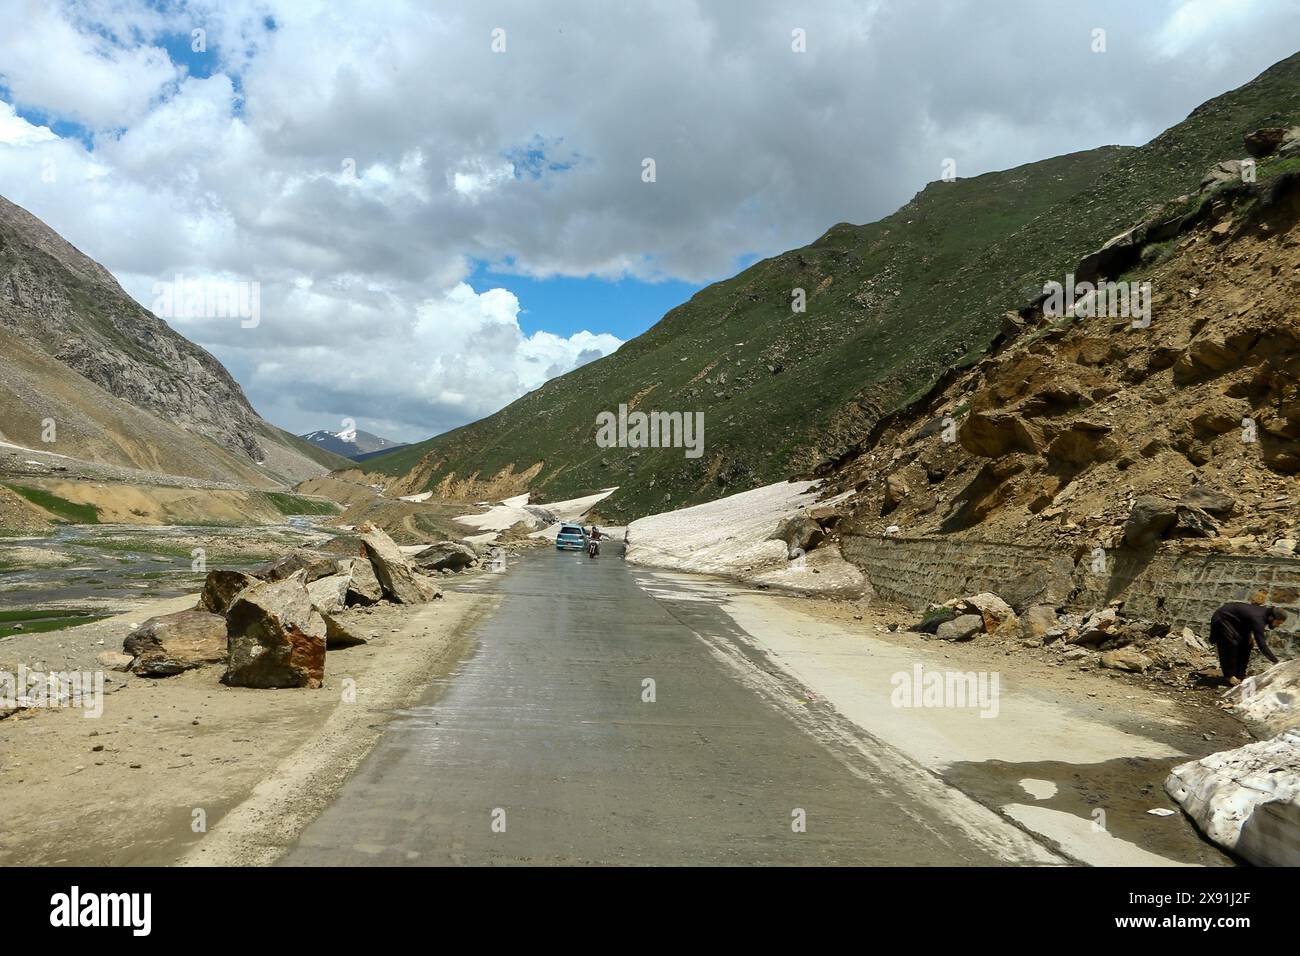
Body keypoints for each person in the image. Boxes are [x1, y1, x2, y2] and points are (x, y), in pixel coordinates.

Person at [1209, 602, 1286, 685]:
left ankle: (1240, 675)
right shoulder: (1258, 619)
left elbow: (1247, 619)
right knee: (1231, 644)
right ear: (1271, 618)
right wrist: (1275, 661)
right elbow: (1261, 644)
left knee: (1247, 644)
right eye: (1277, 623)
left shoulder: (1262, 615)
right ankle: (1229, 676)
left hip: (1236, 623)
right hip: (1222, 619)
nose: (1278, 626)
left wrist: (1249, 636)